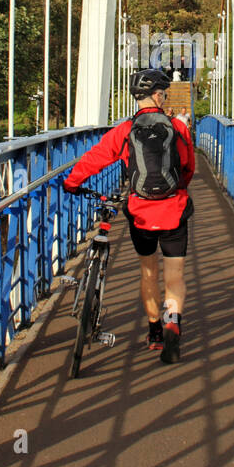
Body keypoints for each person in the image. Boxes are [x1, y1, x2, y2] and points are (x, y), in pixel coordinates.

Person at [62, 69, 195, 365]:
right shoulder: (178, 127)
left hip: (140, 213)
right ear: (159, 96)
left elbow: (95, 157)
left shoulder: (124, 130)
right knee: (174, 275)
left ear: (136, 98)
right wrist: (178, 190)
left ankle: (155, 332)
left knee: (148, 271)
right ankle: (172, 319)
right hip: (173, 210)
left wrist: (72, 182)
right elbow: (188, 168)